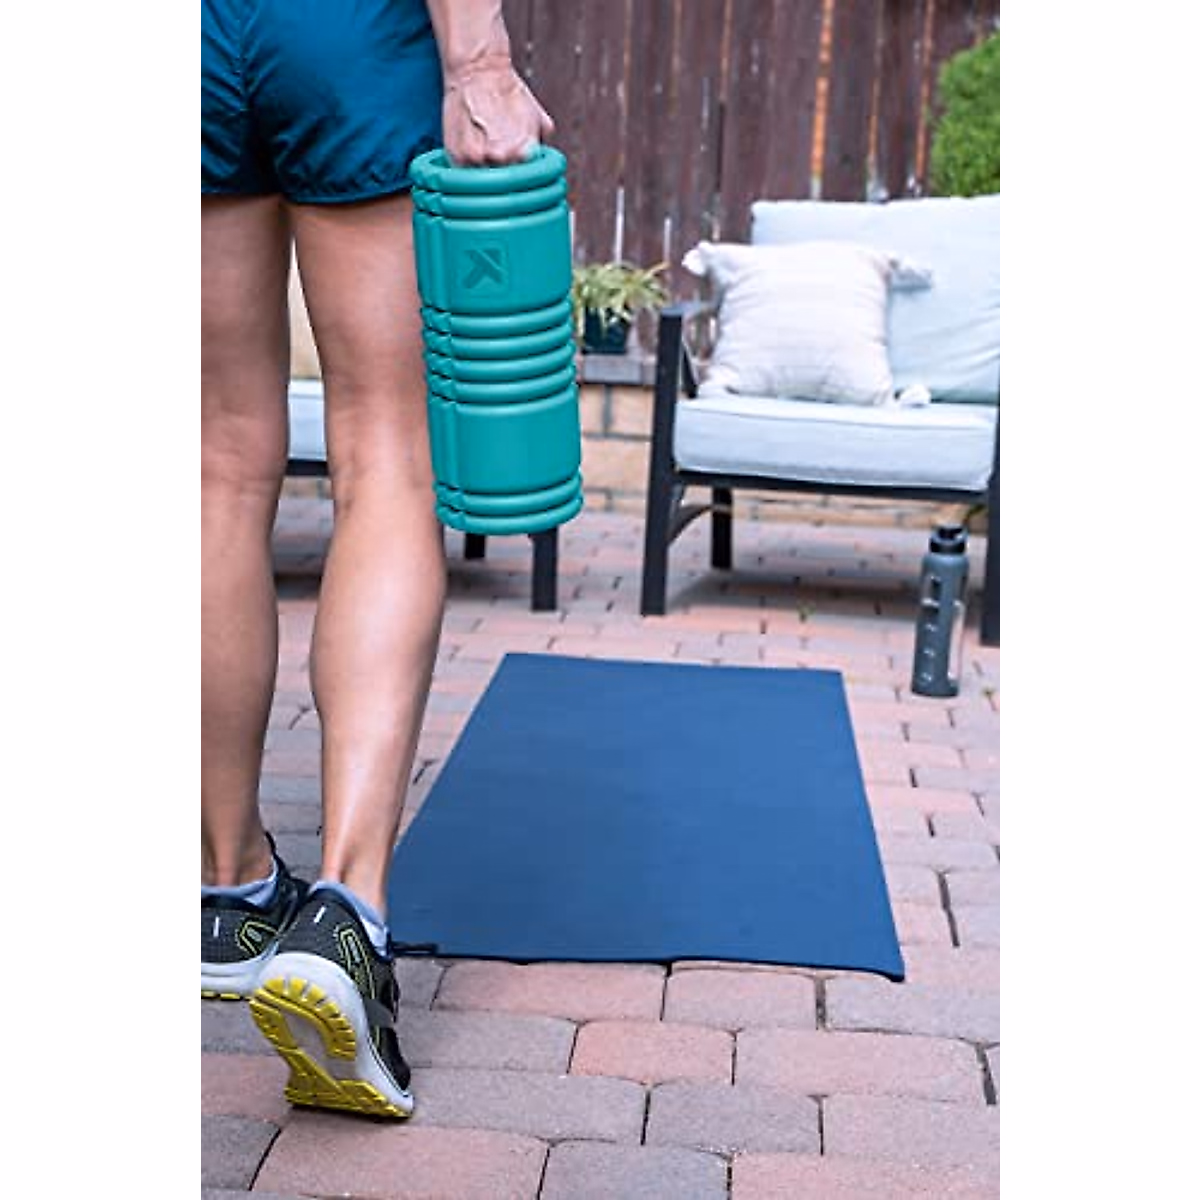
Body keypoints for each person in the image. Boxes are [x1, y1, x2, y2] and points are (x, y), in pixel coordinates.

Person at [201, 0, 554, 1119]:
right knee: (388, 457)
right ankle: (345, 916)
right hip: (343, 31)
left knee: (215, 466)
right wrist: (479, 59)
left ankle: (228, 890)